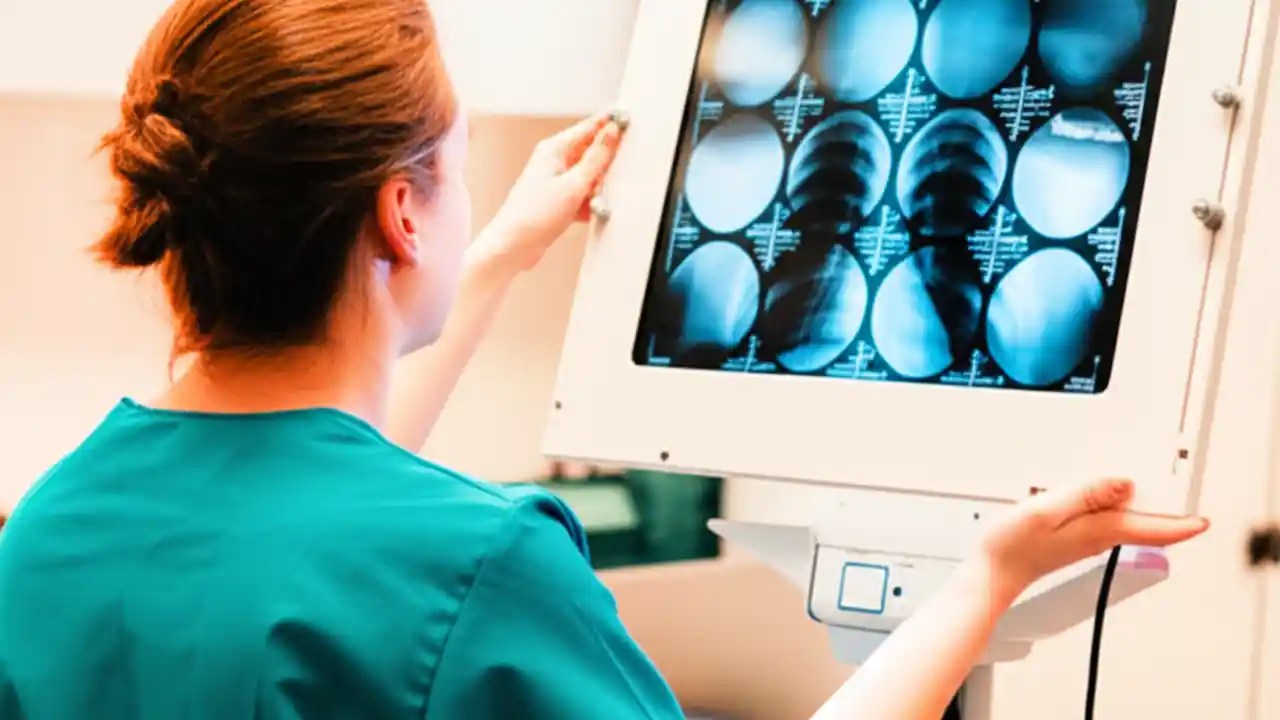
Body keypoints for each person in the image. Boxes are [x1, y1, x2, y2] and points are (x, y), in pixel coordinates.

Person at [0, 1, 1209, 718]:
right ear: (400, 216)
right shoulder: (483, 569)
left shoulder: (49, 531)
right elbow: (377, 560)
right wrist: (979, 585)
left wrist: (501, 256)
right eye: (458, 167)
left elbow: (297, 525)